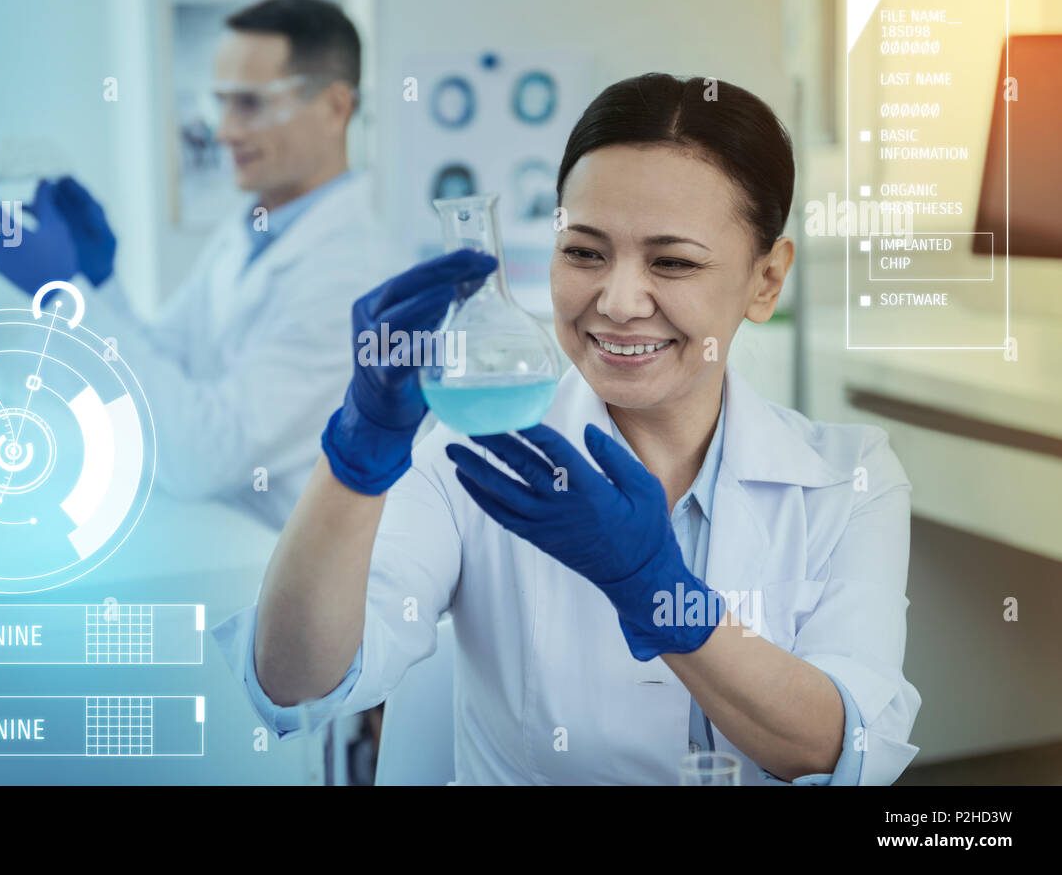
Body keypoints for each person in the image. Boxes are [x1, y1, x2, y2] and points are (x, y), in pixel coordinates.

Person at [214, 73, 922, 785]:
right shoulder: (467, 458)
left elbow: (840, 749)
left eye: (671, 261)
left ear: (766, 281)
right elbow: (294, 682)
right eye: (584, 251)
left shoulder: (849, 479)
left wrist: (656, 592)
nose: (616, 301)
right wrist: (354, 458)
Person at [0, 0, 390, 528]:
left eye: (250, 103)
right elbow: (170, 368)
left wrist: (65, 291)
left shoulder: (354, 271)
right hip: (222, 545)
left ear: (335, 108)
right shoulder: (249, 231)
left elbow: (201, 457)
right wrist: (101, 283)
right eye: (220, 102)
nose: (224, 131)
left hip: (284, 570)